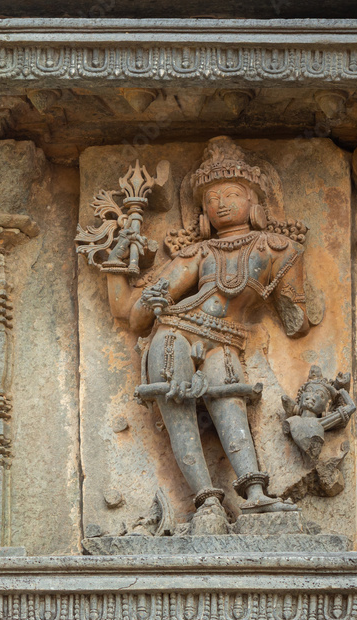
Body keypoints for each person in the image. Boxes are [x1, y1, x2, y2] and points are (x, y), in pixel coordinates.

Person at [101, 137, 311, 516]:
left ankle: (255, 493)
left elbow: (296, 321)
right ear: (201, 212)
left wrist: (297, 288)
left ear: (255, 203)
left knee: (228, 398)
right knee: (176, 403)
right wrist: (124, 268)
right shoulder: (199, 252)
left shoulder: (277, 249)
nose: (221, 204)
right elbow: (131, 315)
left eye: (232, 194)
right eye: (211, 199)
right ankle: (207, 501)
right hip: (174, 333)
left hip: (225, 341)